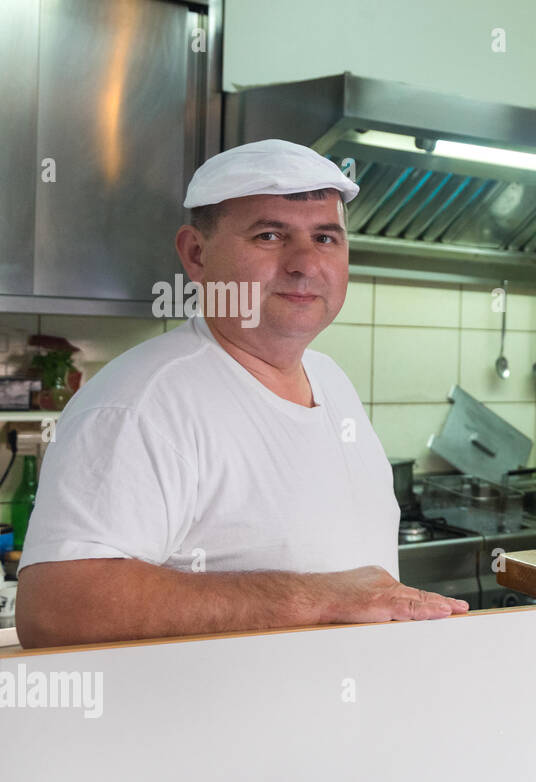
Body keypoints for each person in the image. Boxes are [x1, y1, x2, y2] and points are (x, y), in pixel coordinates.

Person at [16, 140, 468, 648]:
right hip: (208, 727)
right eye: (270, 234)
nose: (304, 263)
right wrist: (313, 599)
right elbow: (56, 608)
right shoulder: (141, 403)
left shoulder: (331, 380)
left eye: (325, 237)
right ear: (196, 254)